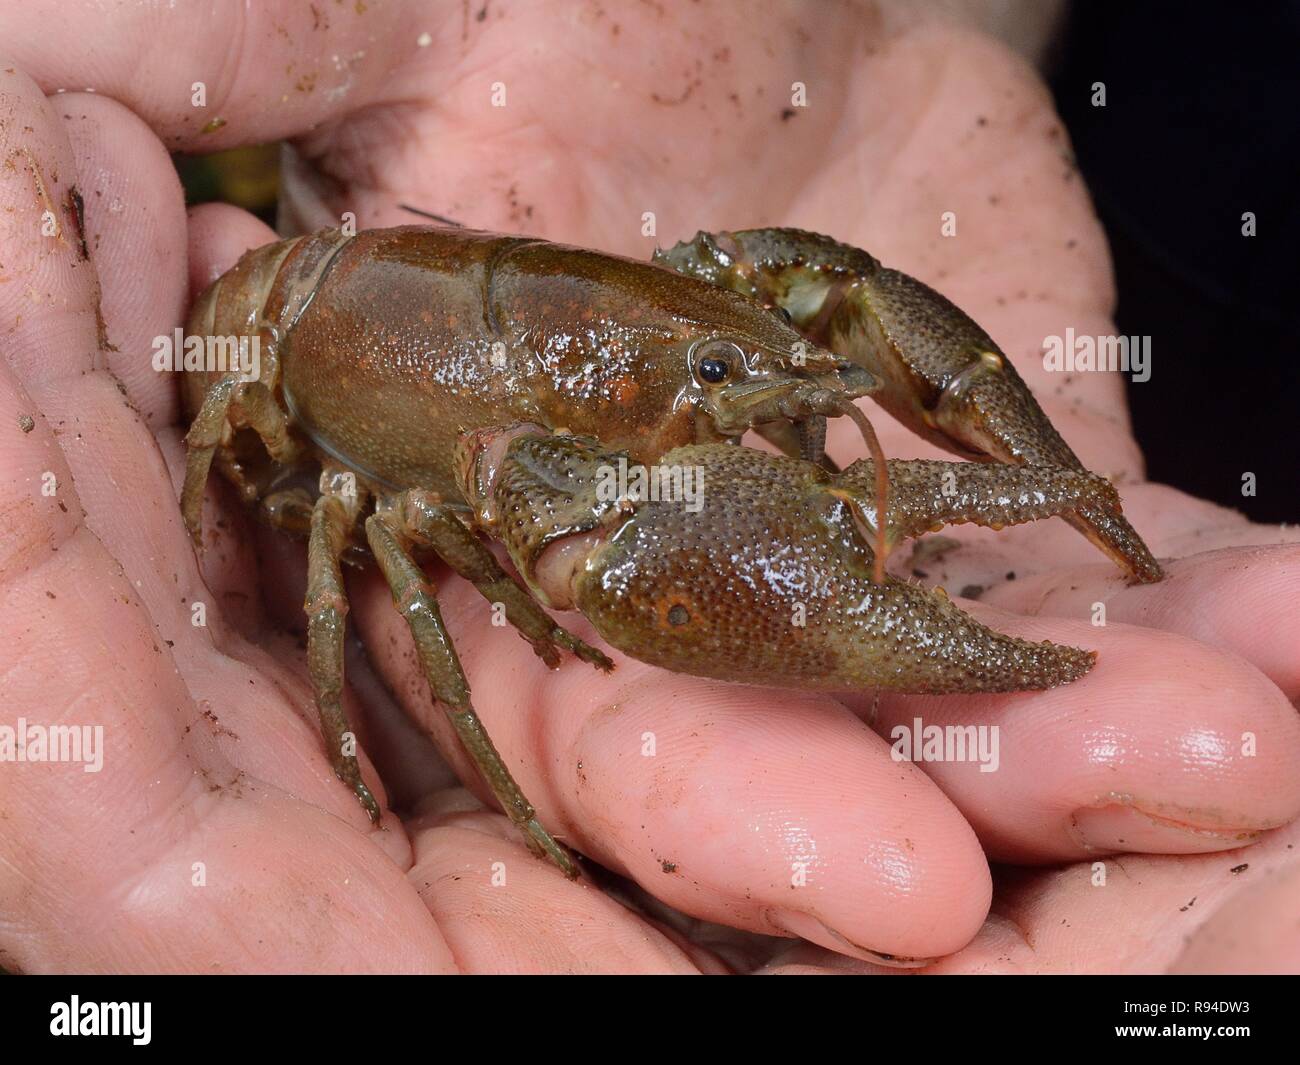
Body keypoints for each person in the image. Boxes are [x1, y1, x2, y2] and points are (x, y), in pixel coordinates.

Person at [0, 0, 1296, 974]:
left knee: (809, 305)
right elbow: (501, 529)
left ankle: (1085, 505)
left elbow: (811, 302)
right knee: (392, 528)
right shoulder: (514, 468)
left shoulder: (677, 315)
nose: (752, 380)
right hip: (275, 371)